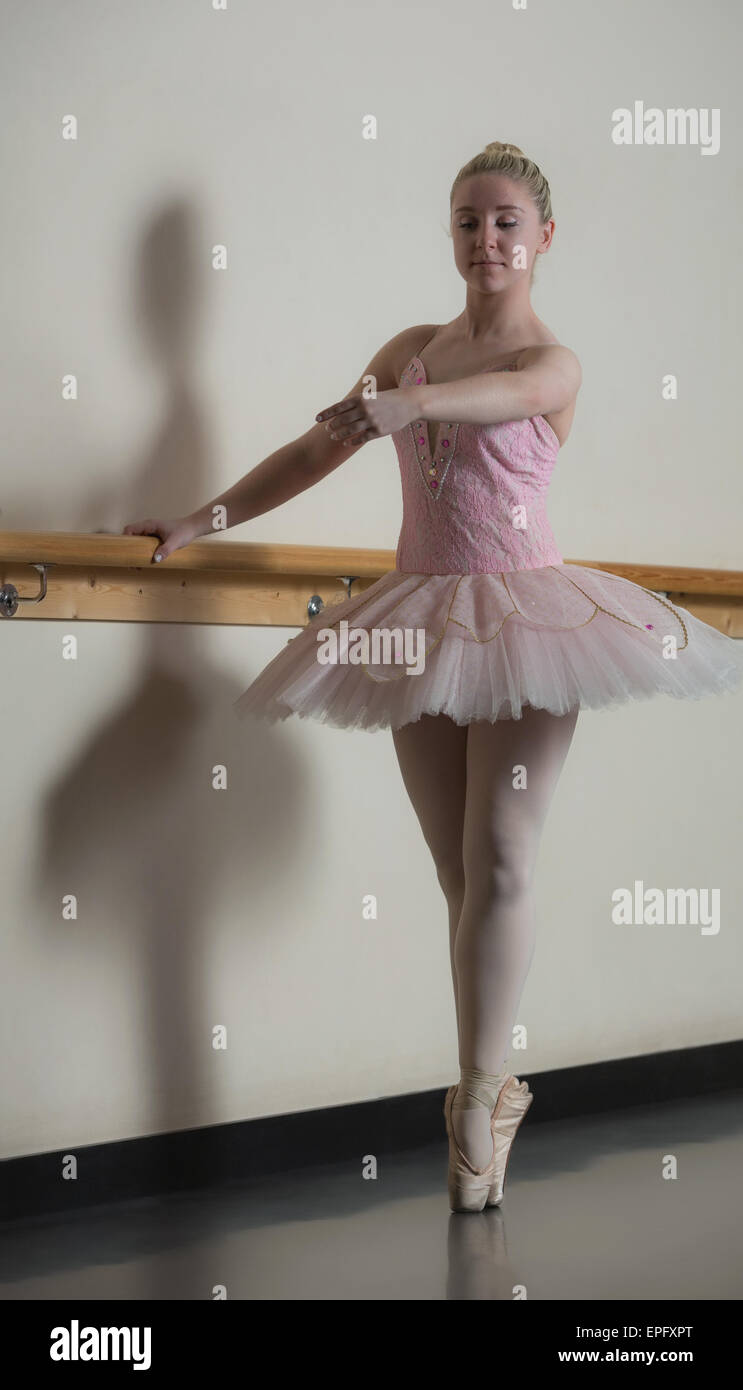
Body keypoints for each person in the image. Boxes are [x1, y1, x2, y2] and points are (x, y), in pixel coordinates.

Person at [124, 141, 743, 1214]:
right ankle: (495, 1089)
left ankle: (468, 1106)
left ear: (542, 237)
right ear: (448, 234)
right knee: (461, 875)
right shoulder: (411, 348)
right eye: (466, 221)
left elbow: (505, 392)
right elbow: (315, 449)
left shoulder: (554, 362)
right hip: (417, 618)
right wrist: (199, 520)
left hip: (528, 619)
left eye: (505, 221)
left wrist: (413, 408)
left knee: (500, 856)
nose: (484, 240)